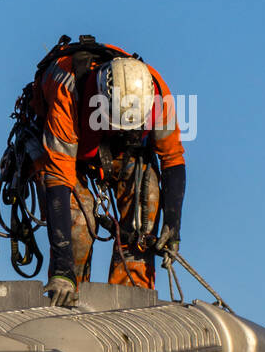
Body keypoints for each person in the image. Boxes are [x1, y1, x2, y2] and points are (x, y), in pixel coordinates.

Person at [33, 42, 186, 306]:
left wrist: (172, 226)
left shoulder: (157, 92)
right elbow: (59, 178)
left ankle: (131, 304)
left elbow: (172, 160)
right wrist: (62, 269)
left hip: (120, 153)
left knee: (144, 209)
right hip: (67, 151)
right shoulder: (68, 90)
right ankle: (69, 299)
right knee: (79, 221)